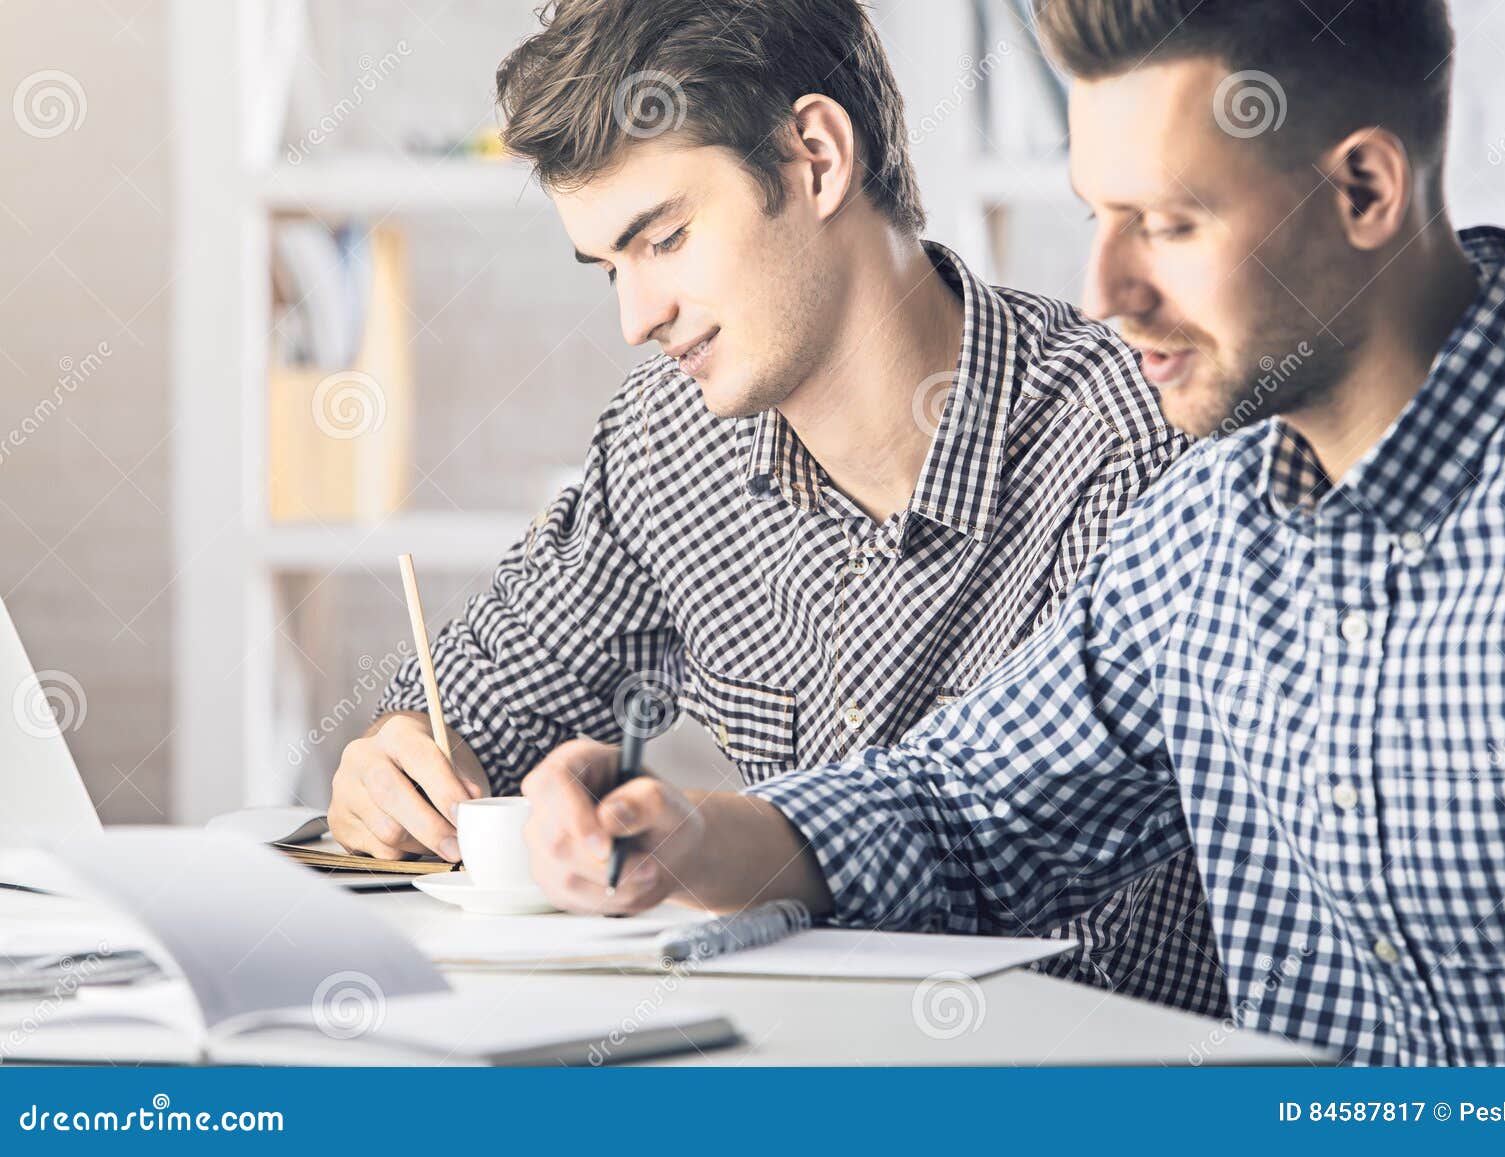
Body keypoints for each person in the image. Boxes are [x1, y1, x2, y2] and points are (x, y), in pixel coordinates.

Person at [519, 0, 1505, 1065]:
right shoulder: (1208, 523)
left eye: (1170, 225)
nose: (1104, 292)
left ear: (1362, 189)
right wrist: (694, 835)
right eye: (1099, 218)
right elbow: (965, 807)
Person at [330, 0, 1226, 1017]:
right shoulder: (670, 441)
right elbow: (493, 695)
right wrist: (409, 748)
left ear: (814, 157)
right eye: (609, 268)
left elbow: (1000, 824)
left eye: (663, 238)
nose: (635, 318)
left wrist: (716, 836)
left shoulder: (1140, 440)